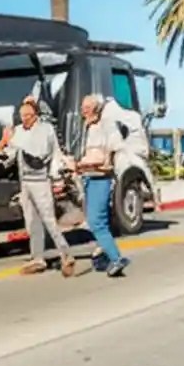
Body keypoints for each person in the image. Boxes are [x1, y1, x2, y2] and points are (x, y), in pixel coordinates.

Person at [0, 99, 76, 277]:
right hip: (25, 181)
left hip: (40, 180)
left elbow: (39, 152)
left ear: (35, 114)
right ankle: (37, 258)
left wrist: (11, 139)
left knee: (48, 220)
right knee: (31, 221)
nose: (24, 119)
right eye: (22, 116)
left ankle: (66, 254)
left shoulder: (45, 130)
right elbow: (11, 153)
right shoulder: (19, 131)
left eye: (28, 115)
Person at [76, 94, 131, 277]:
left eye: (87, 106)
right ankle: (103, 256)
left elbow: (110, 151)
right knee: (99, 221)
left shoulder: (105, 125)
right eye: (83, 106)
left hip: (100, 177)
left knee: (96, 222)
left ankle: (116, 258)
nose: (83, 110)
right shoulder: (86, 127)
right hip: (89, 177)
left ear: (96, 108)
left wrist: (89, 163)